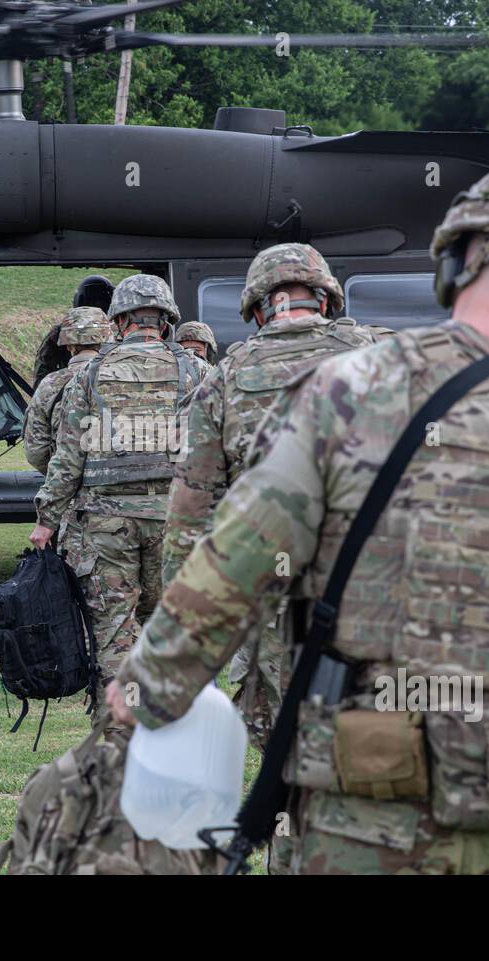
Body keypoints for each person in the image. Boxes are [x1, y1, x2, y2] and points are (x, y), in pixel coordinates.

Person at [108, 161, 489, 874]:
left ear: (459, 258)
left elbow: (232, 567)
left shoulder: (352, 387)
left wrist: (143, 692)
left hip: (366, 809)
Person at [161, 243, 386, 755]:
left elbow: (191, 505)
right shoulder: (380, 355)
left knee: (289, 744)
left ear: (258, 307)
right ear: (326, 299)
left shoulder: (225, 377)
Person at [29, 274, 207, 728]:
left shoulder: (87, 375)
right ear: (166, 321)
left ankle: (116, 738)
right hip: (176, 524)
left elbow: (66, 456)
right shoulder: (199, 373)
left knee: (113, 635)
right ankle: (174, 729)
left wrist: (47, 520)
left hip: (106, 528)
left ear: (121, 320)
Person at [23, 307, 113, 559]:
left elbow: (36, 450)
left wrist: (60, 476)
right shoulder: (120, 377)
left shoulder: (52, 384)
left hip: (69, 503)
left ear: (68, 344)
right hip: (116, 498)